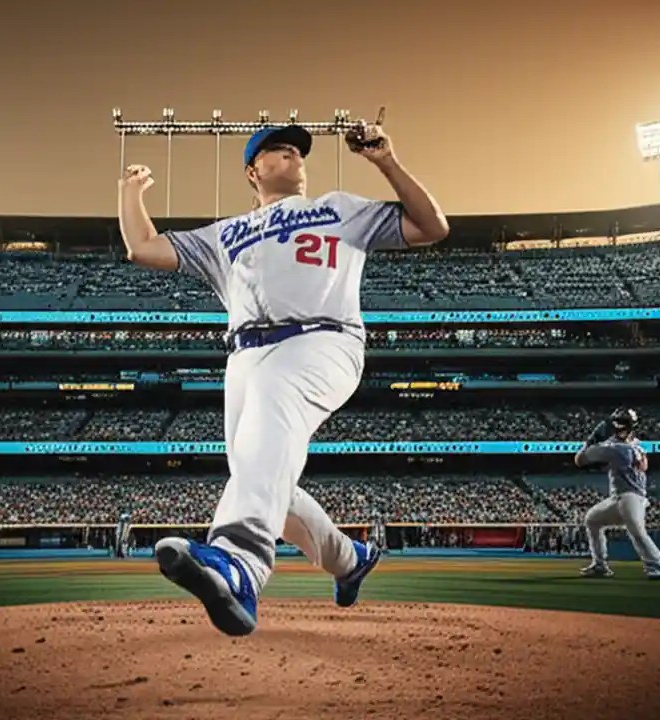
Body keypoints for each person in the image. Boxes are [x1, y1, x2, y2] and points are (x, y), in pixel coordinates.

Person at [117, 113, 448, 635]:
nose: (294, 156)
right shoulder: (225, 234)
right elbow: (144, 248)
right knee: (261, 470)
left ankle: (240, 562)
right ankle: (349, 558)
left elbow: (431, 227)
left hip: (323, 339)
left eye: (298, 151)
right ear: (254, 170)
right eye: (279, 150)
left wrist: (385, 161)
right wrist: (130, 192)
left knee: (265, 441)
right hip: (244, 358)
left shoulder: (339, 209)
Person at [574, 407, 660, 579]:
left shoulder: (615, 447)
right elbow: (643, 465)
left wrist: (592, 439)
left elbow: (579, 460)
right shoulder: (637, 445)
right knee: (592, 520)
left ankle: (657, 567)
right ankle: (600, 565)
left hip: (631, 496)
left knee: (637, 531)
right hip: (619, 498)